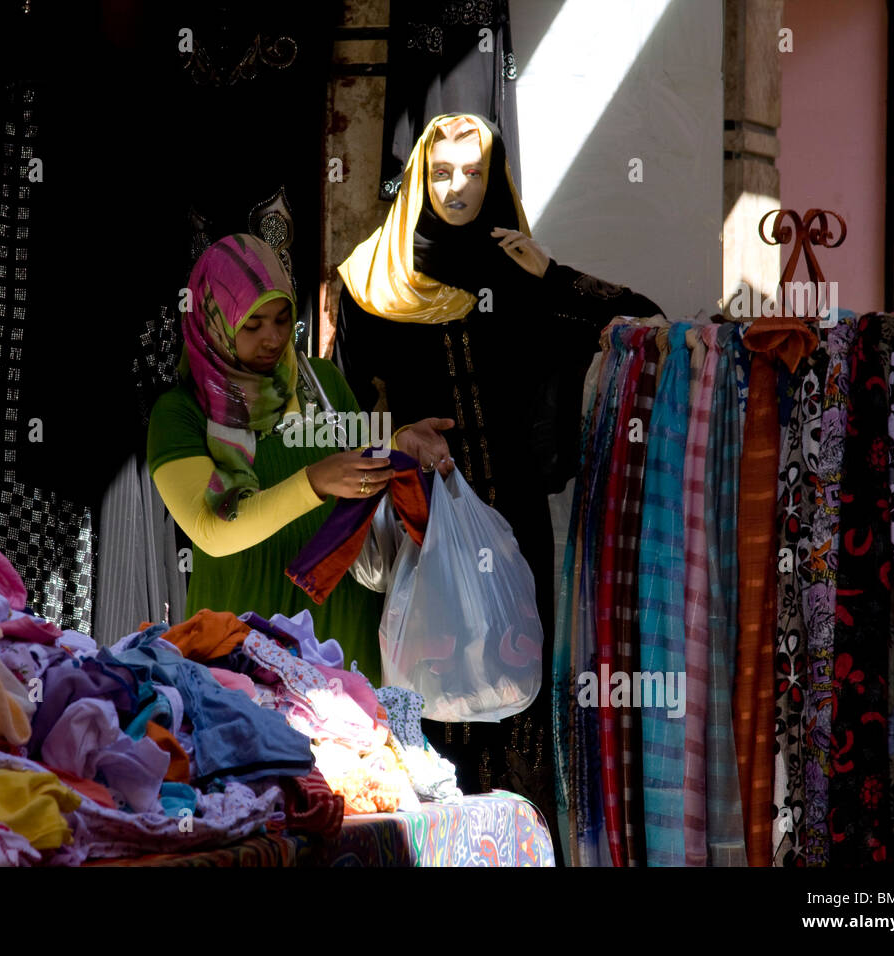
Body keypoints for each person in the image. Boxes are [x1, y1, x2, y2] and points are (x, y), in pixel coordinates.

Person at [334, 112, 662, 821]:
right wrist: (398, 440)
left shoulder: (517, 275)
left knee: (516, 691)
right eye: (443, 172)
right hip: (423, 523)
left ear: (496, 179)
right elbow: (347, 412)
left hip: (512, 524)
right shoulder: (371, 280)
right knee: (434, 696)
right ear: (419, 175)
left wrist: (552, 276)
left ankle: (520, 844)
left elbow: (647, 324)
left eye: (475, 173)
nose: (458, 188)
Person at [147, 234, 453, 684]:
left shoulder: (322, 382)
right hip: (244, 640)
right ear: (213, 321)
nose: (272, 338)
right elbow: (211, 528)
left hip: (343, 629)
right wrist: (314, 482)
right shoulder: (181, 412)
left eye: (283, 318)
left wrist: (399, 445)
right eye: (252, 326)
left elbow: (361, 468)